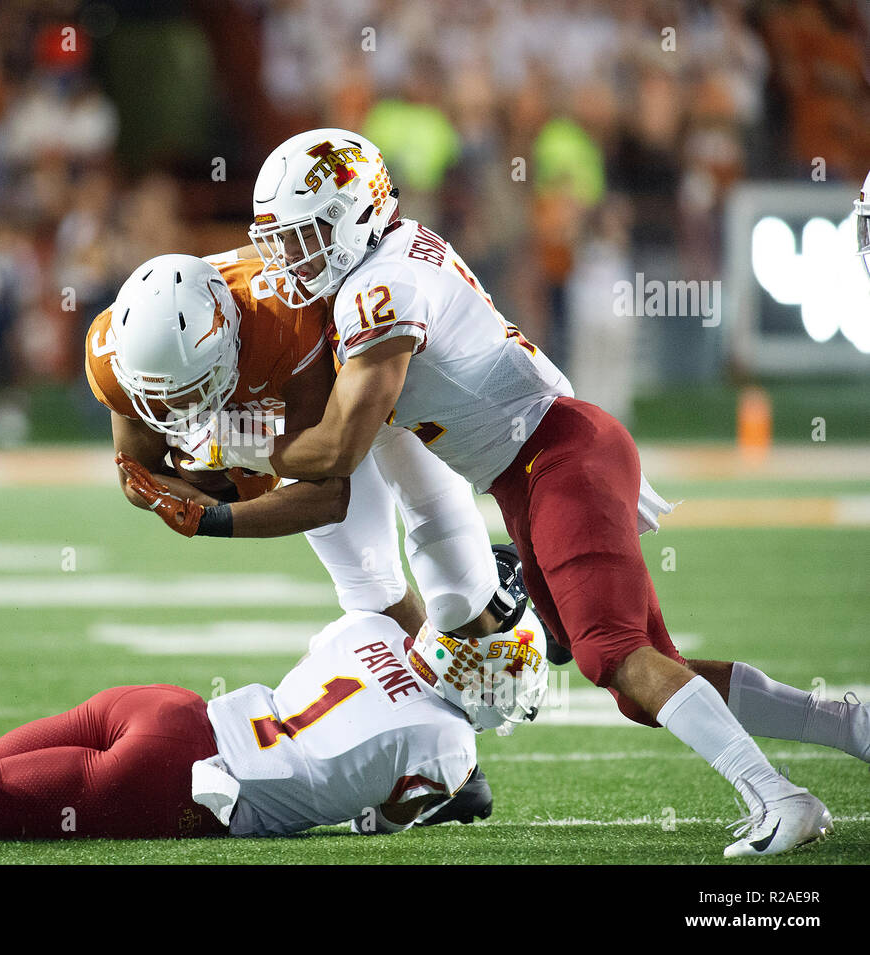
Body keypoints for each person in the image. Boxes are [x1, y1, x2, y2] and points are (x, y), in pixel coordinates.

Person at [183, 128, 868, 857]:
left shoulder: (379, 290)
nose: (292, 258)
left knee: (615, 654)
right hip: (544, 463)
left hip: (553, 459)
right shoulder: (389, 253)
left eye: (308, 234)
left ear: (355, 214)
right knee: (641, 678)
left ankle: (780, 797)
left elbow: (342, 446)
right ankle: (848, 725)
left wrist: (233, 440)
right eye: (280, 239)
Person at [0, 610, 551, 843]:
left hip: (171, 709)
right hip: (190, 785)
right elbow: (378, 817)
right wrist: (449, 795)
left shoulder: (368, 630)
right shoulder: (452, 743)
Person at [88, 253, 522, 643]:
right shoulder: (119, 353)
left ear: (230, 344)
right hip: (286, 423)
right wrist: (208, 491)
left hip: (369, 394)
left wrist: (212, 509)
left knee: (463, 607)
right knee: (371, 597)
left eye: (193, 387)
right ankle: (432, 702)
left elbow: (328, 491)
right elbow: (137, 478)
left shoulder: (282, 318)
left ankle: (515, 580)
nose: (179, 407)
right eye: (162, 394)